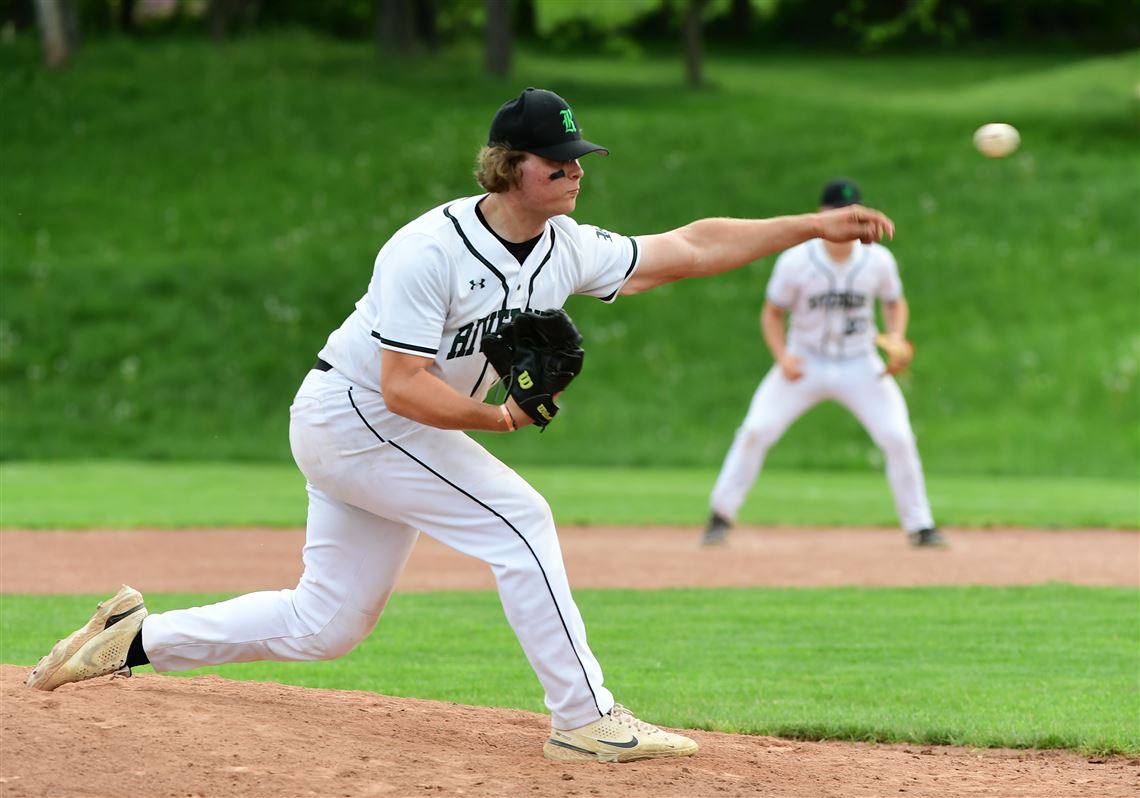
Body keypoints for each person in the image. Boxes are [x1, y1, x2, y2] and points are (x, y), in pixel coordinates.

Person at [26, 90, 894, 763]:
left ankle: (134, 640)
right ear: (509, 166)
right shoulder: (427, 251)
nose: (574, 172)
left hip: (384, 428)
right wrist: (500, 418)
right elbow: (403, 387)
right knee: (522, 520)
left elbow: (689, 248)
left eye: (577, 160)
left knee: (327, 626)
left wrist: (810, 226)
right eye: (556, 163)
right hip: (356, 420)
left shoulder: (565, 247)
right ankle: (585, 719)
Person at [701, 179, 945, 549]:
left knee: (897, 436)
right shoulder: (796, 259)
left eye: (854, 214)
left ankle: (921, 525)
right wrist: (783, 357)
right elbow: (772, 313)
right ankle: (721, 515)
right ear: (822, 216)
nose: (848, 221)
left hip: (861, 362)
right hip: (805, 359)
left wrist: (895, 337)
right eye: (839, 214)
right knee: (756, 429)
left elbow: (895, 302)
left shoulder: (878, 259)